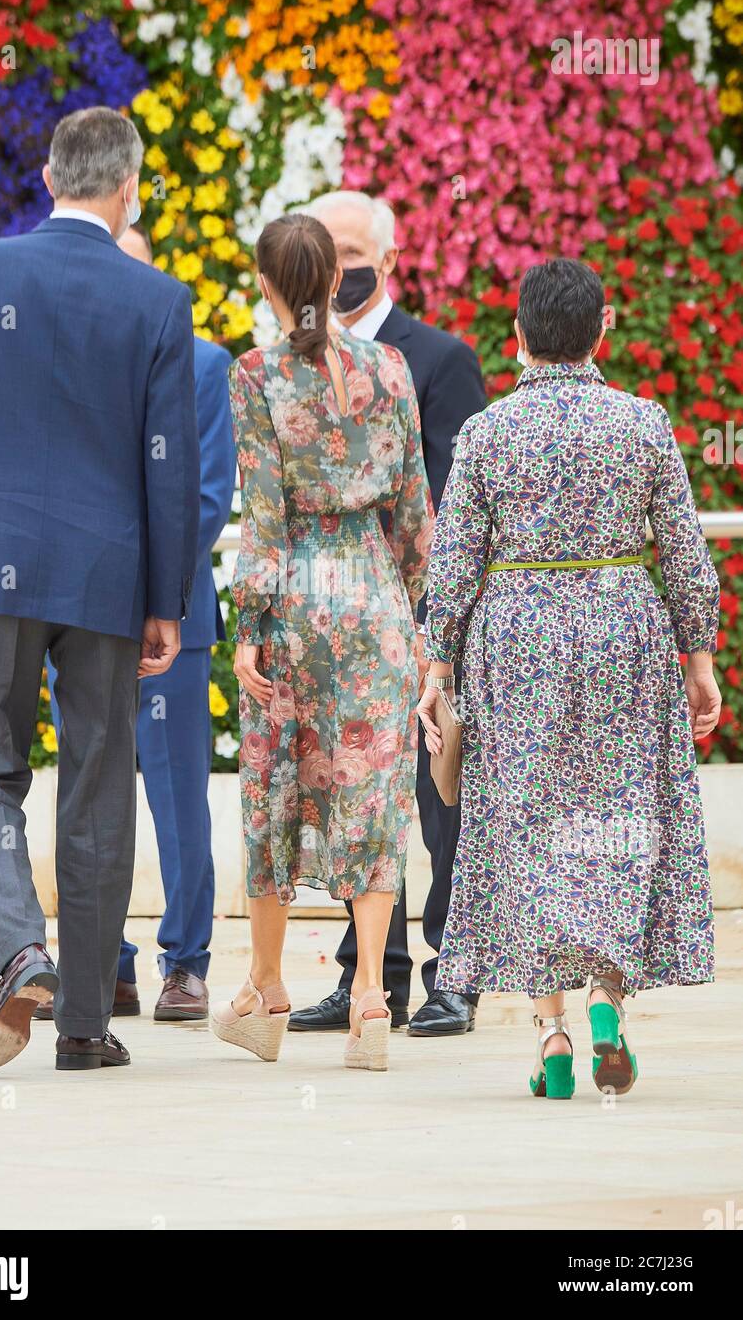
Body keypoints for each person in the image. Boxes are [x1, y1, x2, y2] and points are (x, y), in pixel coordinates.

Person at [0, 107, 199, 1073]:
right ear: (130, 188)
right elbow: (171, 468)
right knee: (102, 791)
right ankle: (82, 1026)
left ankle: (20, 948)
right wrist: (167, 600)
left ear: (48, 174)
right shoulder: (157, 299)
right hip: (105, 576)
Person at [418, 257, 721, 1099]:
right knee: (620, 816)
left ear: (518, 336)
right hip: (625, 624)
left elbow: (454, 566)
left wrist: (437, 667)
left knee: (525, 825)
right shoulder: (644, 424)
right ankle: (606, 1007)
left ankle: (549, 1035)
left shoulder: (486, 433)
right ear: (604, 330)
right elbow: (688, 558)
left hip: (516, 635)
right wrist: (699, 659)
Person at [211, 213, 433, 1072]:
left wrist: (248, 631)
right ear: (334, 282)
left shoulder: (257, 375)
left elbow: (263, 519)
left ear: (269, 286)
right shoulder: (391, 366)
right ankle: (373, 998)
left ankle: (266, 988)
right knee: (374, 790)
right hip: (374, 596)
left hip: (300, 596)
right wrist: (424, 625)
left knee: (275, 790)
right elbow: (416, 512)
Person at [288, 190, 486, 1038]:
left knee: (439, 804)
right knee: (357, 804)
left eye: (352, 251)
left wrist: (435, 625)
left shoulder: (438, 360)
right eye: (325, 250)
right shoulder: (298, 361)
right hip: (337, 621)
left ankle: (455, 973)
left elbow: (454, 505)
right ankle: (372, 973)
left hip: (424, 620)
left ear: (390, 261)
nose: (338, 268)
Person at [35, 221, 235, 1024]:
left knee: (178, 795)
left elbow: (208, 500)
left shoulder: (206, 366)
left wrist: (145, 589)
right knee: (87, 787)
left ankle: (184, 963)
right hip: (75, 610)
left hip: (169, 612)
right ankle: (101, 963)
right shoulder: (61, 363)